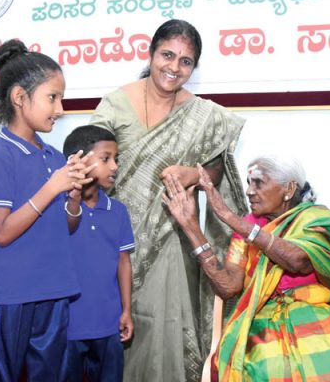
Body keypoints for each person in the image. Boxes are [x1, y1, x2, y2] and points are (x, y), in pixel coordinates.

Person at [162, 156, 330, 381]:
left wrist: (231, 219)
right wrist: (192, 229)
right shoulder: (247, 227)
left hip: (321, 313)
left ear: (289, 189)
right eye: (248, 182)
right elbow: (229, 286)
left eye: (259, 183)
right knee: (268, 368)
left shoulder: (316, 217)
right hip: (263, 319)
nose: (249, 191)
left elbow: (297, 260)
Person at [89, 19, 247, 381]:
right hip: (116, 241)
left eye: (186, 61)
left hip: (174, 239)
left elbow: (217, 171)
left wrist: (195, 174)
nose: (174, 68)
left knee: (166, 329)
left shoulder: (202, 114)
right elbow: (93, 161)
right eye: (167, 55)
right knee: (118, 328)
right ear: (151, 52)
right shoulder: (116, 103)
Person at [0, 39, 95, 381]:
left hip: (55, 290)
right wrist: (52, 188)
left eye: (61, 98)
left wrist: (72, 195)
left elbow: (67, 226)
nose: (59, 108)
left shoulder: (54, 157)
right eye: (52, 97)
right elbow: (2, 232)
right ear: (19, 97)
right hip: (12, 295)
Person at [59, 125, 135, 382]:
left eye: (116, 159)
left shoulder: (118, 211)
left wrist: (126, 310)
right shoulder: (56, 208)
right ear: (78, 161)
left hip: (108, 326)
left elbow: (124, 263)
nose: (114, 166)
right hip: (66, 329)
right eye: (105, 159)